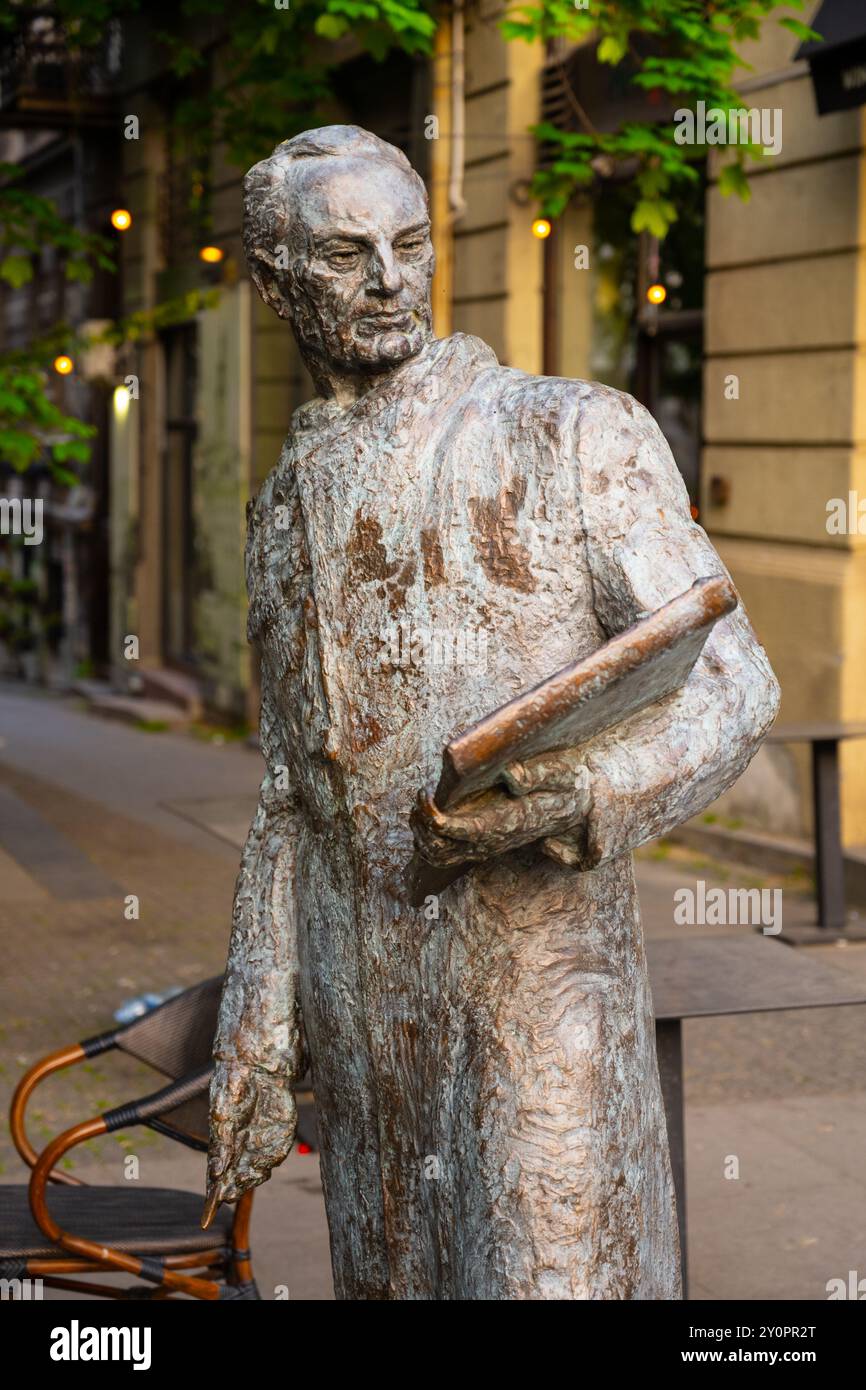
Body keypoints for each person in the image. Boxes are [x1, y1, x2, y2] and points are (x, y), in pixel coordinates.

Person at [204, 125, 780, 1299]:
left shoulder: (567, 431)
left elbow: (732, 680)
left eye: (409, 245)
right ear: (270, 280)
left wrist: (579, 791)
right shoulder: (278, 509)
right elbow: (291, 792)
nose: (387, 280)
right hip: (366, 1044)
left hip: (532, 1013)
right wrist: (259, 1031)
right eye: (343, 254)